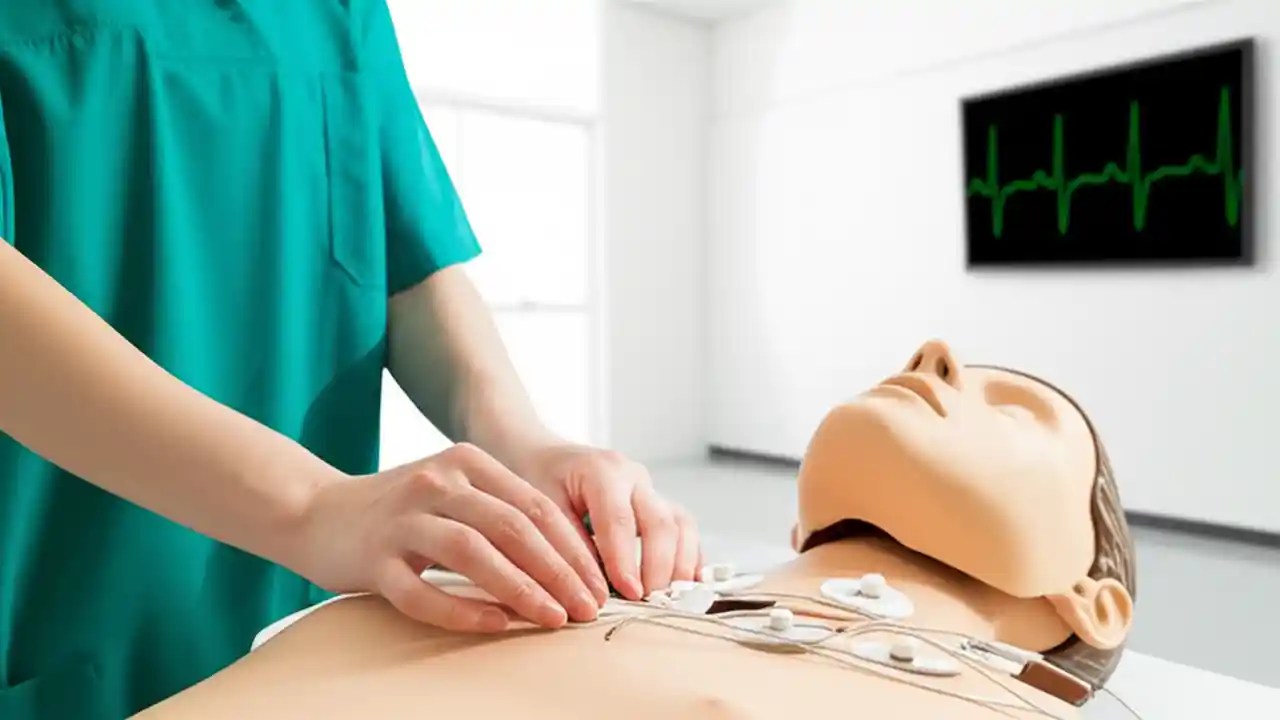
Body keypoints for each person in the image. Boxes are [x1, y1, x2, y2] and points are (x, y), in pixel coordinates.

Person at [0, 2, 698, 717]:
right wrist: (310, 506)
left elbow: (405, 257)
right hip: (64, 613)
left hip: (302, 626)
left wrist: (522, 442)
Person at [131, 339, 1138, 719]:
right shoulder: (526, 576)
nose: (935, 355)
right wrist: (309, 508)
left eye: (1015, 409)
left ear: (1090, 602)